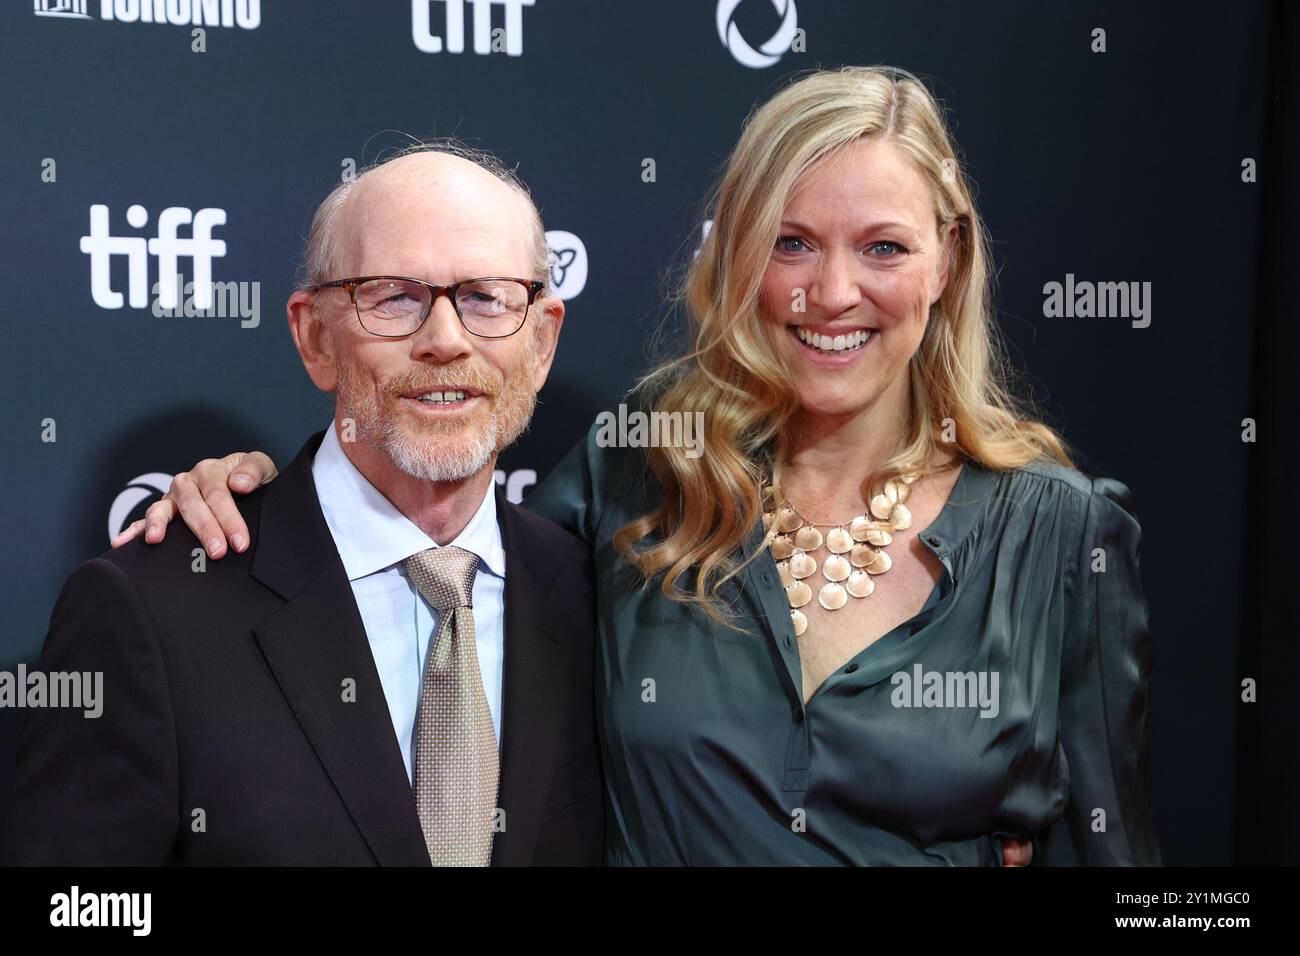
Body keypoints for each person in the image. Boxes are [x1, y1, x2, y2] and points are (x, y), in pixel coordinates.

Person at [112, 66, 1160, 865]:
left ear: (948, 260)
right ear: (737, 257)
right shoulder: (648, 464)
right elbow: (434, 524)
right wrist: (262, 494)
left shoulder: (1060, 535)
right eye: (789, 243)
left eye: (882, 247)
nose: (830, 291)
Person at [4, 146, 602, 866]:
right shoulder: (150, 608)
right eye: (394, 297)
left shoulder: (596, 595)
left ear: (540, 343)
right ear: (315, 337)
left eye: (485, 297)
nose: (445, 340)